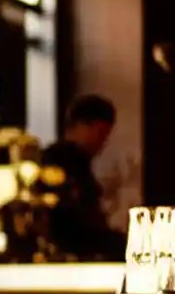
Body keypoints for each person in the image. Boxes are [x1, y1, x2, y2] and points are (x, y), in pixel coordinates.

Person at [39, 94, 121, 260]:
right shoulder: (57, 163)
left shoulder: (76, 162)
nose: (103, 142)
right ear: (81, 126)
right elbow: (71, 224)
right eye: (100, 133)